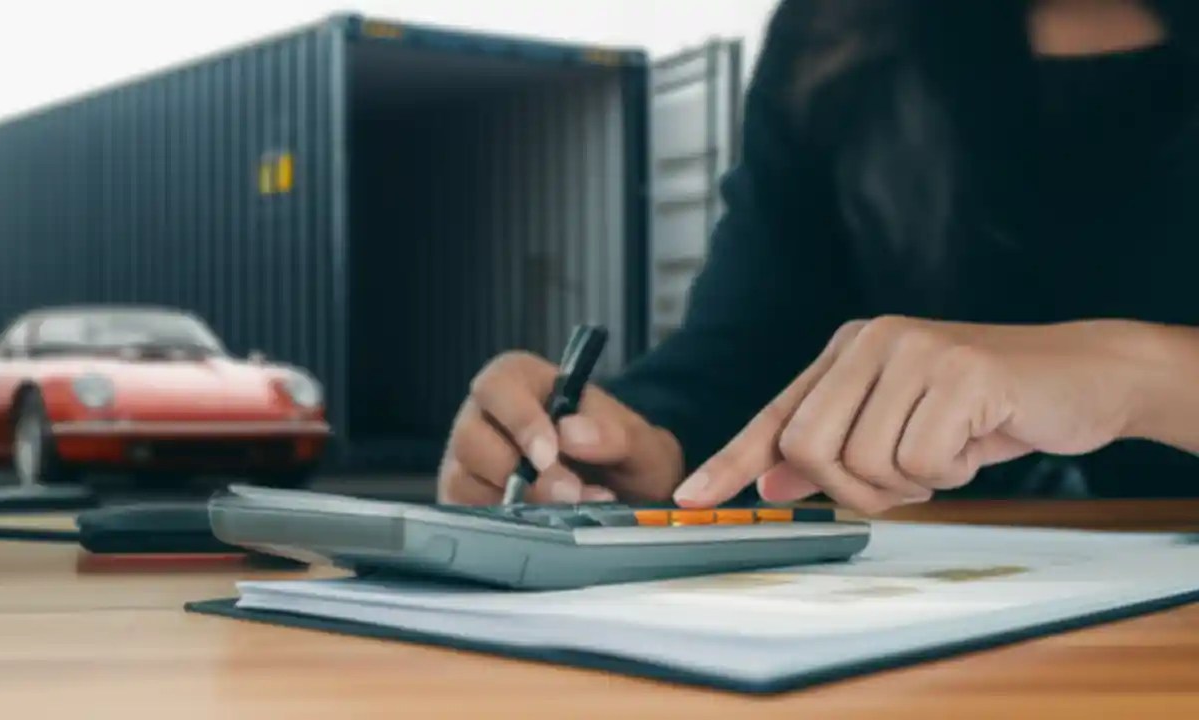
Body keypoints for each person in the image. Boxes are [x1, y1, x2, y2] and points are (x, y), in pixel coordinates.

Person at [438, 0, 1199, 515]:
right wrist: (639, 448)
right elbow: (743, 355)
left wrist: (1143, 375)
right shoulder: (838, 32)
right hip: (926, 629)